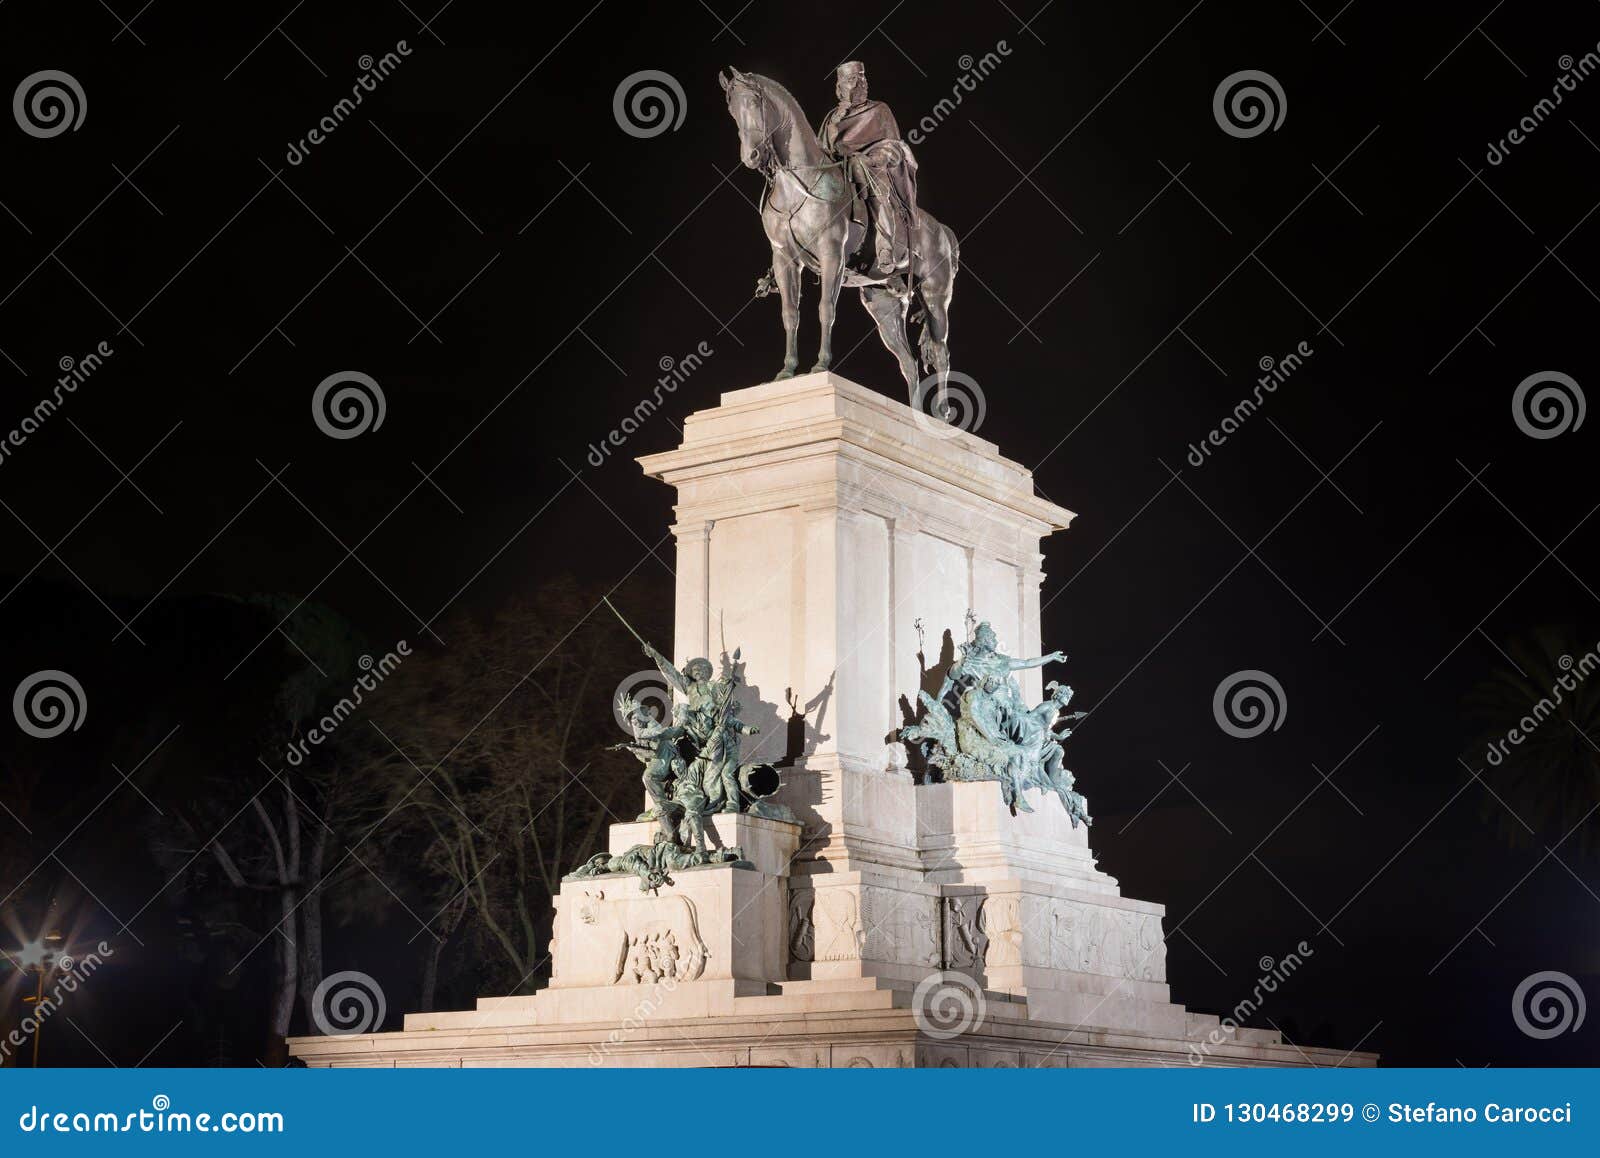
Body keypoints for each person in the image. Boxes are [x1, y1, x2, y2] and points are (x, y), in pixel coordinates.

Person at [818, 61, 919, 270]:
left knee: (875, 182)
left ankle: (884, 247)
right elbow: (822, 149)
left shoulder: (879, 110)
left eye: (862, 77)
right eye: (852, 80)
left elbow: (894, 145)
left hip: (871, 165)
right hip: (838, 167)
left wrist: (873, 159)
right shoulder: (832, 117)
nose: (860, 83)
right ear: (840, 88)